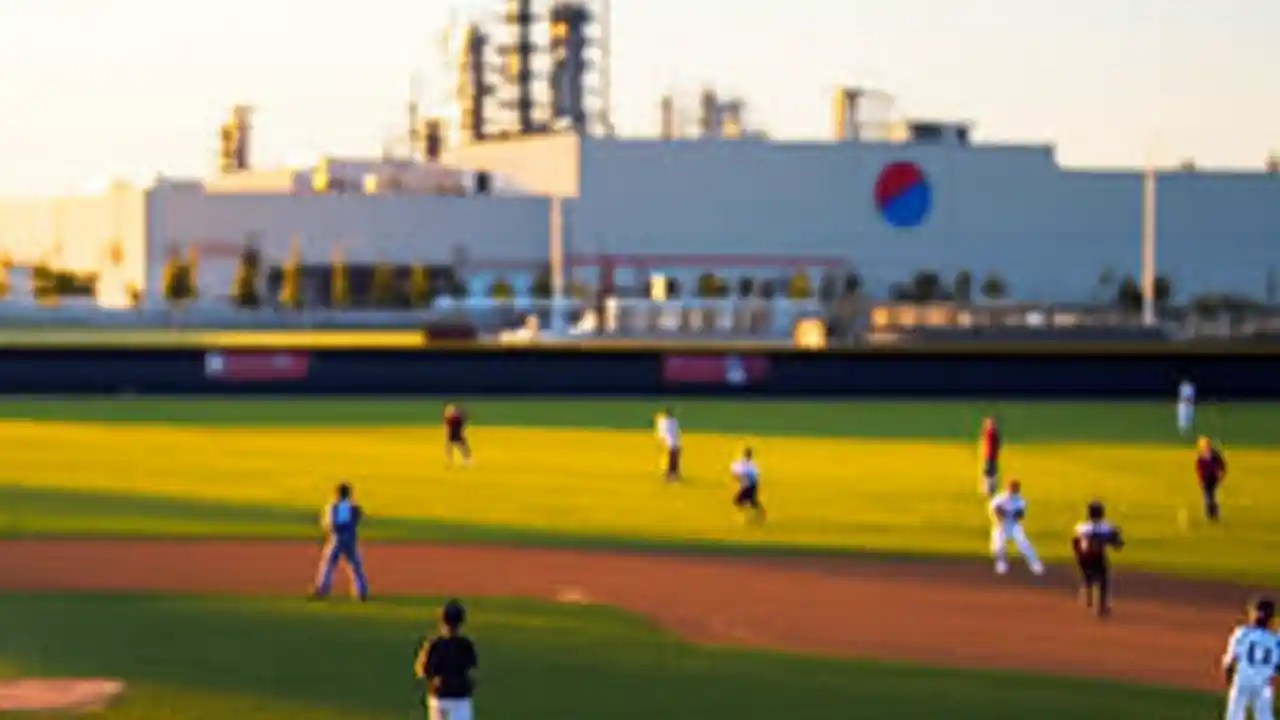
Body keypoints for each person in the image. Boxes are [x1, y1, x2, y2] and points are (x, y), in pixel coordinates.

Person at [415, 599, 479, 720]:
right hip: (461, 697)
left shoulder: (433, 644)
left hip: (438, 697)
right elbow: (473, 673)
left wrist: (432, 679)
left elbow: (421, 669)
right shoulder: (466, 645)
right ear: (461, 622)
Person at [1221, 597, 1279, 720]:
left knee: (1234, 716)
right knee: (1265, 716)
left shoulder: (1242, 633)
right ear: (1271, 618)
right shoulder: (1275, 640)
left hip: (1243, 679)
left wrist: (1229, 680)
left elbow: (1229, 663)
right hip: (1264, 683)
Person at [310, 482, 369, 601]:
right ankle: (361, 592)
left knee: (328, 564)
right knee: (355, 566)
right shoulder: (353, 507)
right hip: (351, 538)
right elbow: (359, 518)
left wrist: (327, 528)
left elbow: (333, 525)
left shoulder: (336, 506)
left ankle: (322, 590)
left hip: (337, 539)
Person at [1071, 501, 1124, 618]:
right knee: (1104, 578)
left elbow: (1075, 544)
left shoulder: (1081, 527)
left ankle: (1088, 589)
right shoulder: (1106, 527)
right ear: (1102, 513)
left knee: (1088, 574)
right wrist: (1116, 540)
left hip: (1083, 561)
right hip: (1098, 559)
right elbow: (1117, 543)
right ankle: (1102, 605)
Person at [988, 479, 1044, 576]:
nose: (1014, 490)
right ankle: (1001, 563)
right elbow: (995, 511)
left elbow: (1020, 515)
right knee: (998, 545)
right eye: (1012, 487)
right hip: (1000, 524)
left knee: (1023, 543)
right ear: (1008, 488)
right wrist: (1001, 520)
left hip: (1014, 525)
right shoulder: (1000, 498)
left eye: (1016, 488)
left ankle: (1034, 563)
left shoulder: (1020, 500)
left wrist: (1011, 515)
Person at [1196, 436, 1228, 522]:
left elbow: (1222, 463)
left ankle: (1214, 514)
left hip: (1213, 478)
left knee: (1212, 496)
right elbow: (1199, 468)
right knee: (1208, 496)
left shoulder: (1214, 454)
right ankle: (1210, 514)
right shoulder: (1201, 456)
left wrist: (1222, 472)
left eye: (1206, 445)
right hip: (1205, 479)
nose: (1205, 447)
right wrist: (1200, 479)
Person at [730, 447, 766, 524]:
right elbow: (736, 473)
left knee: (740, 501)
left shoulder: (751, 465)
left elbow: (754, 476)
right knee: (751, 502)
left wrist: (744, 480)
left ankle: (753, 516)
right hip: (749, 486)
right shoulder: (747, 464)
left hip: (750, 486)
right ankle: (756, 516)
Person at [655, 407, 682, 482]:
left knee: (672, 460)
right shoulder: (673, 421)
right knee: (673, 459)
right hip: (674, 443)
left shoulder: (666, 422)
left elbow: (662, 433)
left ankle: (671, 475)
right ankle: (672, 474)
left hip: (672, 444)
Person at [978, 417, 1001, 498]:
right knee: (992, 472)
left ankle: (988, 490)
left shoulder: (991, 432)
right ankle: (991, 489)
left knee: (988, 473)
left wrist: (985, 425)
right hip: (992, 455)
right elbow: (999, 444)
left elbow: (983, 433)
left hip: (990, 455)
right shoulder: (993, 432)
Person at [444, 403, 472, 468]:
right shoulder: (449, 419)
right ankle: (450, 461)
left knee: (463, 446)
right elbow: (448, 428)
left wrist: (463, 432)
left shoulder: (457, 419)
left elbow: (462, 426)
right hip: (454, 433)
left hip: (457, 433)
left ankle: (467, 461)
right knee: (452, 446)